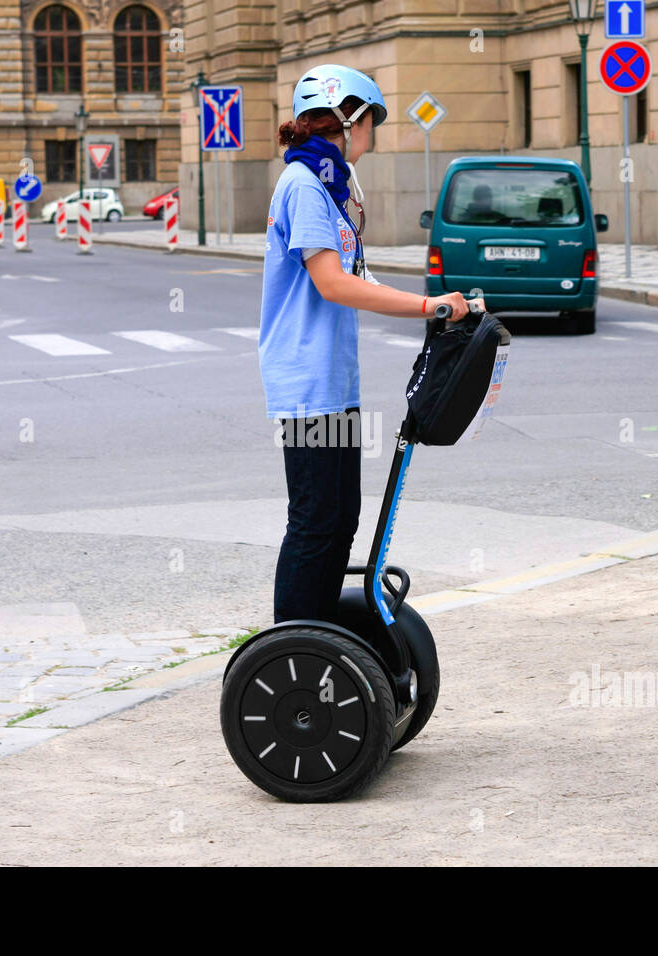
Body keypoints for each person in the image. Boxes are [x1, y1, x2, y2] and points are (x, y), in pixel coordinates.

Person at [259, 64, 485, 623]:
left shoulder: (326, 186)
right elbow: (332, 285)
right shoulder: (304, 186)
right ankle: (296, 645)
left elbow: (359, 278)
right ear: (348, 120)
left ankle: (323, 638)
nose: (373, 136)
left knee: (340, 519)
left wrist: (435, 301)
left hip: (333, 385)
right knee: (316, 519)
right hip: (307, 387)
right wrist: (429, 306)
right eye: (371, 123)